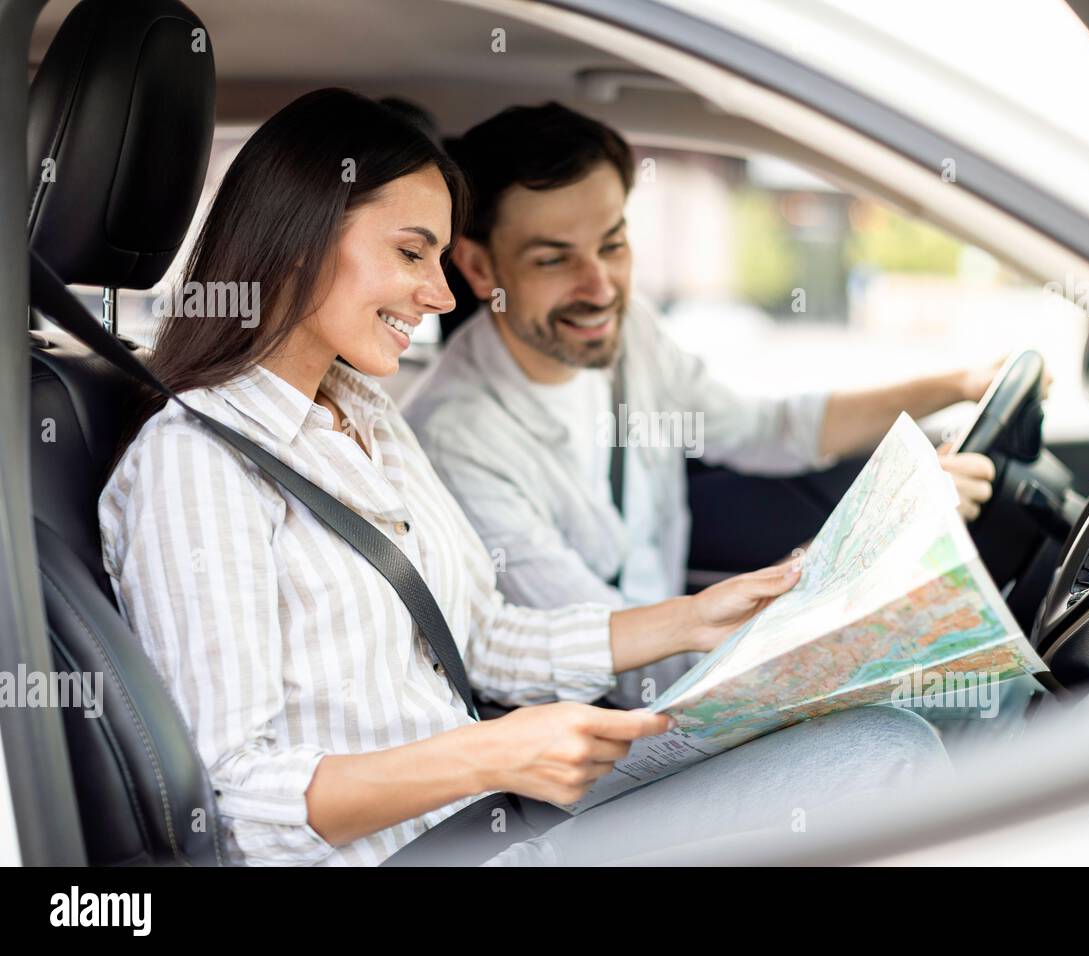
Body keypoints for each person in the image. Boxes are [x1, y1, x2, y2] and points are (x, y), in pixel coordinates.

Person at [100, 88, 948, 867]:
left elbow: (480, 634)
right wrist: (493, 751)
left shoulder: (362, 411)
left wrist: (688, 621)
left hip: (487, 802)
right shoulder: (196, 464)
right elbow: (233, 800)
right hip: (419, 848)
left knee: (882, 729)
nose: (438, 295)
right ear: (299, 242)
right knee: (884, 762)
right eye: (410, 253)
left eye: (439, 258)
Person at [402, 103, 1002, 708]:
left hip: (702, 667)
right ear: (478, 267)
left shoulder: (629, 335)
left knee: (981, 697)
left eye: (612, 246)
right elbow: (625, 666)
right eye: (554, 259)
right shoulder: (454, 439)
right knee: (946, 716)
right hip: (619, 730)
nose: (600, 287)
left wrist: (957, 383)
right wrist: (881, 532)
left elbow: (769, 430)